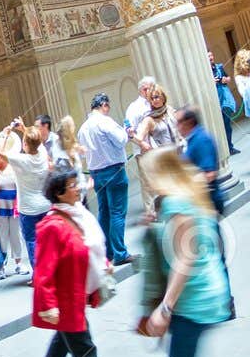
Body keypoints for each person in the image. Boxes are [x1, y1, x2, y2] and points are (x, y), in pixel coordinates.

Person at [129, 150, 250, 357]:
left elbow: (185, 258)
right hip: (209, 295)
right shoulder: (192, 196)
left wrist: (164, 308)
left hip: (192, 300)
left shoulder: (174, 202)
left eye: (149, 174)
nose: (147, 180)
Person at [30, 166, 114, 357]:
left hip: (77, 290)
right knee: (83, 344)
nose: (78, 187)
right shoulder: (51, 226)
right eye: (72, 185)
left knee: (65, 337)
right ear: (59, 193)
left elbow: (91, 245)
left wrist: (103, 265)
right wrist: (48, 305)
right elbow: (43, 270)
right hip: (65, 297)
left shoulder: (78, 214)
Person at [77, 93, 132, 264]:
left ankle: (106, 252)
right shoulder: (105, 121)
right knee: (117, 212)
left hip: (96, 173)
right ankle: (120, 253)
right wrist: (127, 132)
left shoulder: (83, 128)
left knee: (104, 212)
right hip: (114, 170)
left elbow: (84, 154)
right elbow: (122, 140)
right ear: (104, 105)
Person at [0, 118, 51, 267]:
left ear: (24, 144)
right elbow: (35, 141)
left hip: (28, 209)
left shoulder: (21, 160)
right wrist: (24, 129)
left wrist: (6, 134)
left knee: (32, 241)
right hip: (46, 205)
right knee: (49, 240)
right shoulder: (43, 153)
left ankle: (38, 275)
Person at [133, 81, 180, 210]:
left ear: (163, 97)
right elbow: (138, 137)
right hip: (164, 159)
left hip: (178, 154)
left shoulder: (169, 110)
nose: (155, 100)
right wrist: (138, 140)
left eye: (157, 96)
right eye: (152, 98)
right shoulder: (149, 119)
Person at [176, 106, 225, 217]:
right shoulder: (192, 139)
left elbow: (210, 174)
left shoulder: (202, 140)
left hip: (209, 203)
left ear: (189, 122)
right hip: (200, 203)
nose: (176, 126)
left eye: (178, 122)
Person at [0, 148, 25, 275]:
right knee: (1, 238)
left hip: (14, 208)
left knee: (16, 236)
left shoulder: (14, 170)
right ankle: (1, 267)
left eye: (0, 155)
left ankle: (19, 263)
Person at [211, 59, 240, 157]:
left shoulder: (219, 67)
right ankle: (221, 150)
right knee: (218, 127)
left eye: (211, 56)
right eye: (208, 56)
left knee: (227, 125)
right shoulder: (204, 70)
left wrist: (225, 79)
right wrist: (211, 82)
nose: (211, 58)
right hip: (213, 101)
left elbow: (228, 78)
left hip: (224, 100)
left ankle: (229, 147)